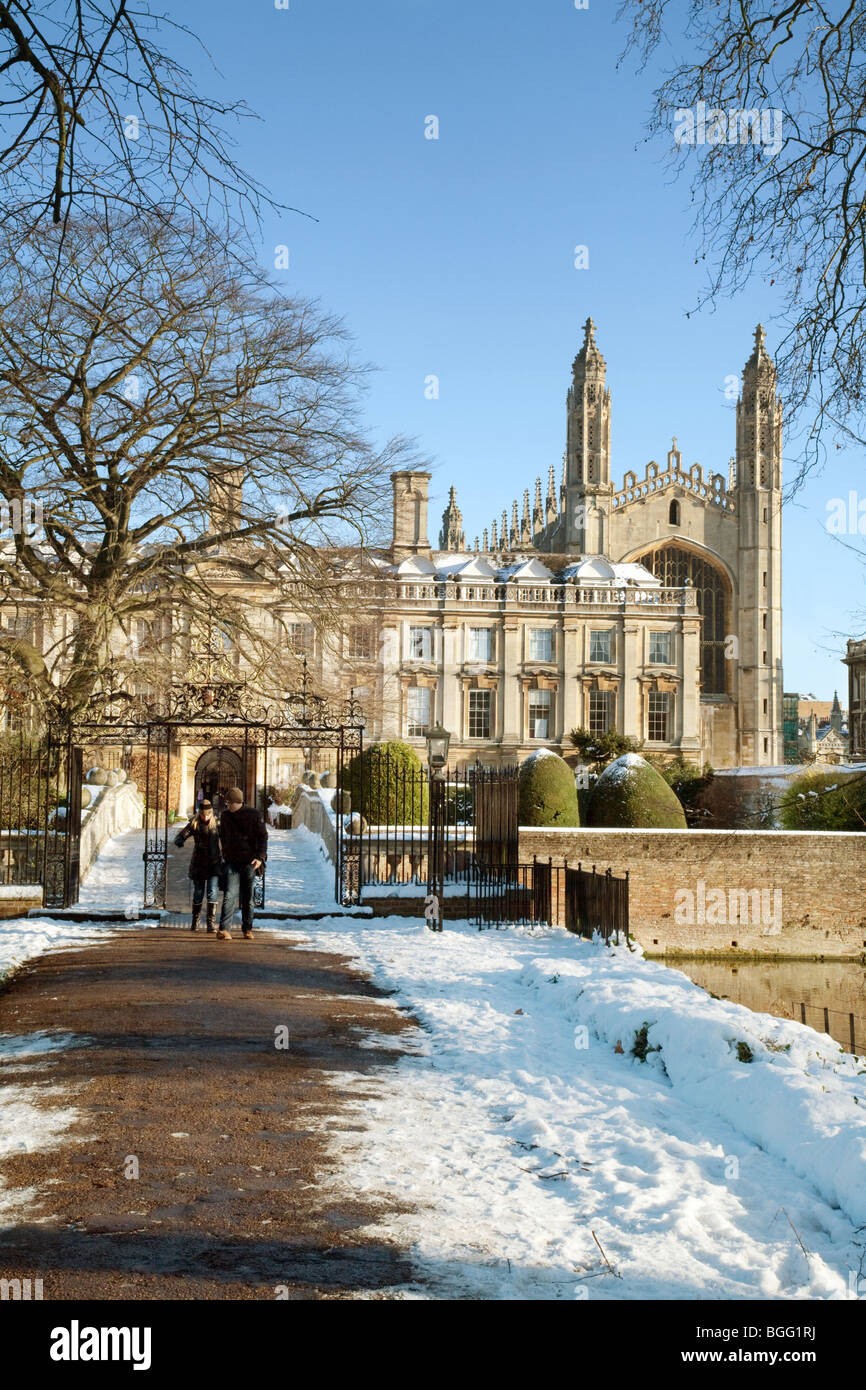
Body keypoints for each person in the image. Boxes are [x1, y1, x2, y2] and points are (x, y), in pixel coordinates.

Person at [216, 786, 267, 941]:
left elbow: (263, 837)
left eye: (229, 803)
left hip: (249, 862)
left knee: (248, 898)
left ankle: (247, 929)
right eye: (226, 803)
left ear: (237, 802)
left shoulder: (253, 815)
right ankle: (224, 929)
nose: (227, 806)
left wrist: (259, 857)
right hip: (231, 861)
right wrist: (224, 853)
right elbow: (222, 836)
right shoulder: (225, 816)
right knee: (229, 895)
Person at [173, 799, 223, 933]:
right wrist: (179, 840)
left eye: (208, 814)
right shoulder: (194, 824)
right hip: (199, 863)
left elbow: (227, 838)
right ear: (199, 813)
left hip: (214, 863)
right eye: (203, 814)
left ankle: (210, 923)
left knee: (212, 892)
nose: (205, 817)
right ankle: (195, 921)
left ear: (211, 813)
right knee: (198, 893)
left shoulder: (217, 824)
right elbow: (182, 835)